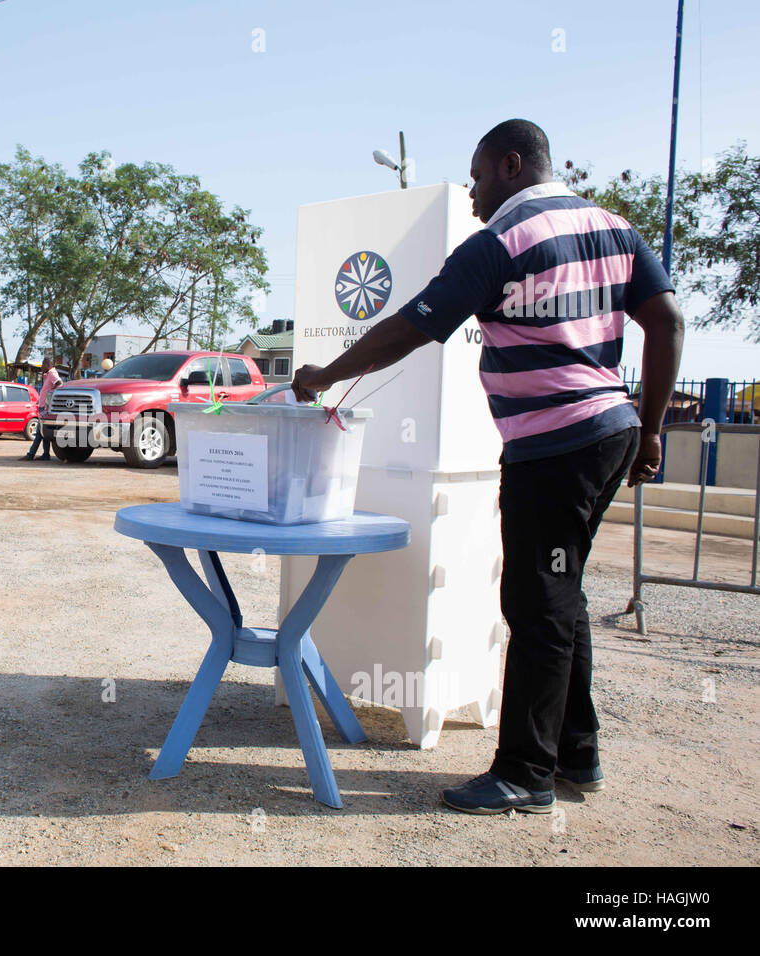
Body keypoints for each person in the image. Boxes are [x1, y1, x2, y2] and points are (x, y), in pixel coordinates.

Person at [292, 119, 684, 815]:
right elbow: (669, 322)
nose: (472, 194)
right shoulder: (616, 228)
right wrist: (651, 429)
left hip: (555, 444)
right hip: (610, 431)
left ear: (511, 165)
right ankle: (576, 756)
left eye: (476, 177)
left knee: (535, 603)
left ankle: (526, 773)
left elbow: (411, 325)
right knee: (561, 596)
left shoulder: (501, 241)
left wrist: (325, 375)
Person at [21, 358, 62, 461]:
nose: (41, 367)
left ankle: (31, 454)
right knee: (43, 431)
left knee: (40, 431)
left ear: (48, 364)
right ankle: (46, 454)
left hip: (45, 407)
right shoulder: (48, 374)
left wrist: (51, 396)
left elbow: (60, 384)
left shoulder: (52, 373)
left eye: (43, 365)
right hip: (42, 405)